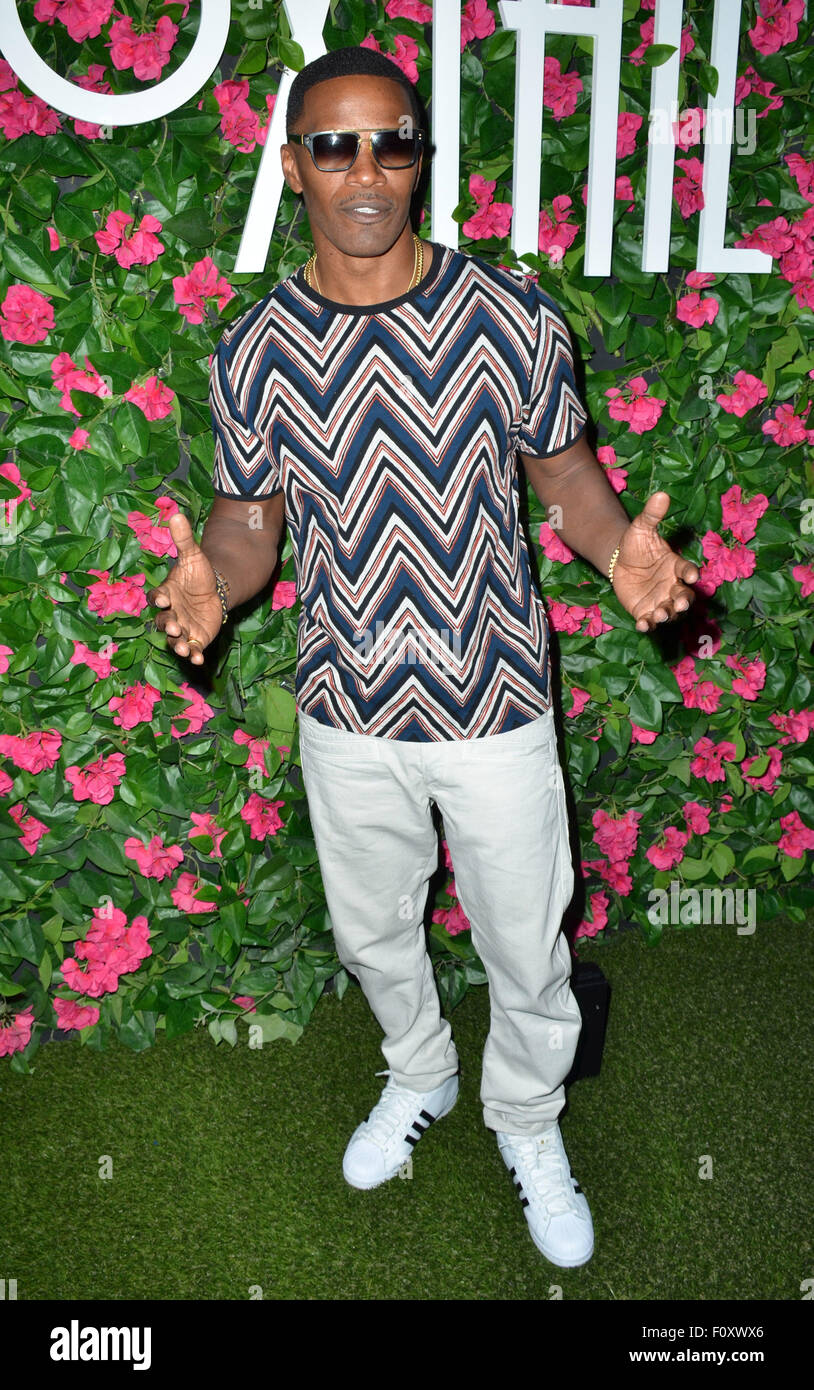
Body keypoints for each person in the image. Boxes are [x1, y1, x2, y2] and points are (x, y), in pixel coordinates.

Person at [148, 45, 699, 1269]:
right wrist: (213, 587)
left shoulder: (509, 315)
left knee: (524, 938)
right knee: (376, 935)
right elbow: (248, 527)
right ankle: (421, 1075)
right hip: (347, 708)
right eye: (335, 145)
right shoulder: (254, 350)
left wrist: (621, 559)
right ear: (292, 165)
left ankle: (526, 1115)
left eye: (391, 141)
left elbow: (566, 484)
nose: (366, 170)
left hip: (494, 697)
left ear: (420, 157)